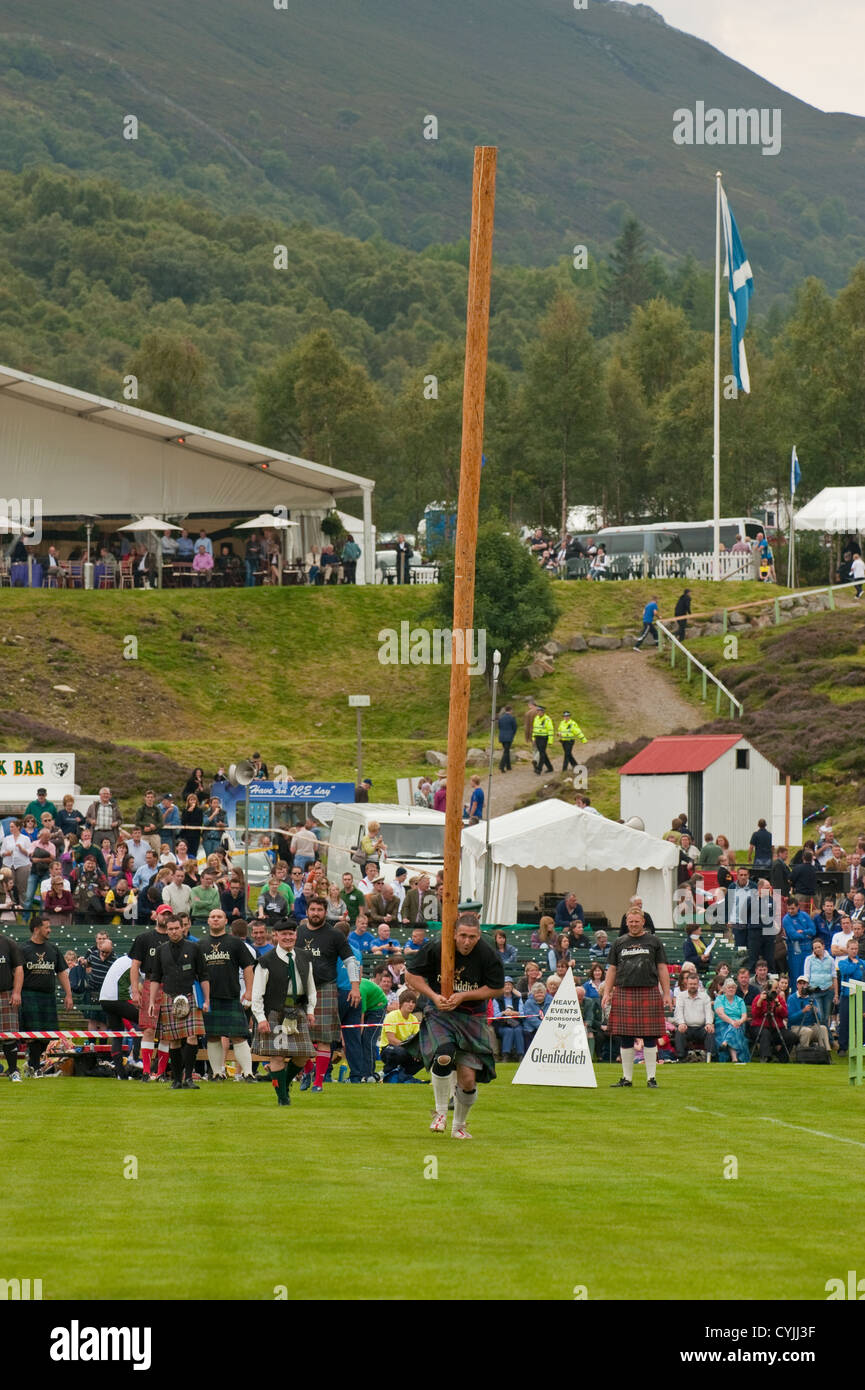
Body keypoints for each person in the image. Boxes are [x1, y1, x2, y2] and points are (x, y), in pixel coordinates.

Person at [404, 912, 505, 1137]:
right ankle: (440, 1113)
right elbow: (411, 976)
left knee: (468, 1080)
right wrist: (433, 995)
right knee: (443, 1054)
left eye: (472, 937)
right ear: (454, 934)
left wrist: (462, 997)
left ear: (479, 936)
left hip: (471, 1014)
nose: (466, 942)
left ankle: (459, 1126)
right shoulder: (437, 946)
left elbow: (497, 988)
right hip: (440, 1012)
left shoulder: (488, 953)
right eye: (462, 936)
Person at [295, 896, 361, 1093]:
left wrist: (355, 987)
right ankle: (307, 1071)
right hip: (300, 989)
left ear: (325, 912)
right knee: (300, 1036)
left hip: (325, 987)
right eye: (312, 909)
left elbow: (350, 961)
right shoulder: (297, 932)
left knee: (324, 1037)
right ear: (307, 911)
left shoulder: (335, 935)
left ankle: (318, 1083)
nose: (316, 913)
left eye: (320, 910)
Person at [602, 908, 671, 1089]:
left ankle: (651, 1078)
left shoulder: (654, 941)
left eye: (636, 921)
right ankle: (626, 1078)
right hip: (624, 991)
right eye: (630, 921)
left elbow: (662, 968)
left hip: (648, 991)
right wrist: (607, 992)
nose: (633, 924)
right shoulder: (619, 943)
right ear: (626, 923)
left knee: (650, 1037)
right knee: (625, 1037)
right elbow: (612, 970)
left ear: (643, 922)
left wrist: (667, 993)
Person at [250, 921, 317, 1106]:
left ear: (296, 935)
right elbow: (257, 993)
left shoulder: (305, 957)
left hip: (297, 1009)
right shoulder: (266, 961)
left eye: (291, 934)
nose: (288, 937)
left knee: (303, 1054)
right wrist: (261, 1018)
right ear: (276, 936)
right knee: (277, 1056)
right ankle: (283, 1098)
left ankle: (283, 1086)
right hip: (274, 1011)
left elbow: (310, 987)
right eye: (284, 934)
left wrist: (310, 1010)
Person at [149, 914, 210, 1090]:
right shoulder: (161, 950)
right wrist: (152, 1001)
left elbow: (203, 975)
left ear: (183, 928)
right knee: (173, 1040)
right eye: (171, 929)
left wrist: (206, 1000)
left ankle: (188, 1078)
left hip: (190, 995)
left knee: (192, 1036)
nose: (174, 931)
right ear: (166, 930)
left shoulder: (194, 948)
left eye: (177, 928)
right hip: (169, 997)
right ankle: (176, 1080)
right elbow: (155, 977)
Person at [200, 908, 256, 1082]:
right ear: (208, 921)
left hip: (231, 995)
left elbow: (248, 967)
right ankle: (217, 1072)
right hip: (208, 998)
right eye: (213, 917)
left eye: (219, 917)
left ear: (226, 921)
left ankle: (247, 1073)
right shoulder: (200, 945)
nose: (216, 919)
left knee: (239, 1035)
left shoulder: (235, 943)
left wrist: (249, 990)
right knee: (213, 1036)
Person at [19, 918, 74, 1077]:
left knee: (46, 1035)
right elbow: (18, 972)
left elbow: (62, 973)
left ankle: (33, 1065)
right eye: (47, 927)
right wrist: (17, 993)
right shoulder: (23, 949)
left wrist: (68, 994)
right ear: (36, 929)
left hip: (47, 996)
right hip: (29, 995)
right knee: (33, 1035)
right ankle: (34, 1066)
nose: (50, 930)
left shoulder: (53, 949)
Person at [378, 991, 426, 1082]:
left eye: (413, 1002)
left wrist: (417, 1051)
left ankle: (402, 1075)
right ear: (401, 1003)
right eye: (408, 1002)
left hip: (404, 1049)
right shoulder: (392, 1016)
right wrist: (410, 1050)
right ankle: (385, 1072)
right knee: (401, 1052)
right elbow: (391, 1039)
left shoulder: (414, 1019)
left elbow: (417, 1039)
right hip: (387, 1049)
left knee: (424, 1056)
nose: (411, 1005)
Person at [673, 972, 716, 1060]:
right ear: (687, 984)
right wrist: (681, 1023)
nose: (693, 986)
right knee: (679, 1031)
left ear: (698, 985)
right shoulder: (681, 996)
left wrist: (708, 1023)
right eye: (690, 984)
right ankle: (681, 1057)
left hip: (701, 1028)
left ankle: (710, 1057)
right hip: (686, 1027)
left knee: (710, 1031)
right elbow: (678, 1012)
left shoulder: (705, 997)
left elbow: (709, 1012)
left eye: (695, 984)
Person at [0, 930, 23, 1080]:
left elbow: (19, 969)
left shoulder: (8, 943)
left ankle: (14, 1070)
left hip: (5, 994)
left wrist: (16, 992)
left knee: (9, 1036)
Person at [751, 982, 795, 1062]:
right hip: (760, 1027)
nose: (777, 990)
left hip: (776, 1028)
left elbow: (785, 1014)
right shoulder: (759, 997)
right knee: (765, 1033)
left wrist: (778, 1004)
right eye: (775, 988)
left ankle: (782, 1057)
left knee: (791, 1036)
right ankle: (765, 1057)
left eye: (777, 988)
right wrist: (760, 1001)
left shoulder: (779, 999)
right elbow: (754, 1014)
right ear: (768, 989)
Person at [836, 939, 865, 1054]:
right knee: (844, 1021)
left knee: (862, 1021)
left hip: (860, 996)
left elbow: (860, 976)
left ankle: (862, 1045)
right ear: (847, 949)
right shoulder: (842, 963)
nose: (854, 951)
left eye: (856, 949)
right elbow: (847, 971)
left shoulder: (863, 962)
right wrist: (855, 964)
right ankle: (843, 1047)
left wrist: (856, 964)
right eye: (852, 949)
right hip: (846, 996)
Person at [788, 977, 831, 1052]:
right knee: (807, 1031)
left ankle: (825, 1053)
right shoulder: (792, 998)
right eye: (800, 983)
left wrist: (816, 1012)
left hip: (810, 1026)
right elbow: (790, 1019)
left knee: (823, 1028)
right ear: (797, 985)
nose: (802, 986)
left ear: (807, 985)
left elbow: (819, 1020)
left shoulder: (811, 998)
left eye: (804, 984)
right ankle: (804, 1055)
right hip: (796, 1026)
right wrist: (803, 1011)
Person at [713, 977, 749, 1062]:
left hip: (738, 1024)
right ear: (724, 989)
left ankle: (725, 1043)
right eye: (729, 987)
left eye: (733, 987)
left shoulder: (740, 1000)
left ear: (736, 989)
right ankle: (734, 1058)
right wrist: (732, 1022)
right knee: (733, 1028)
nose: (731, 989)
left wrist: (740, 1021)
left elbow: (744, 1016)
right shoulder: (719, 999)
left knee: (735, 1027)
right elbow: (721, 1014)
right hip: (722, 1023)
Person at [803, 936, 837, 1027]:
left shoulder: (830, 959)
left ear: (823, 946)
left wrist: (836, 994)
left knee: (826, 1017)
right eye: (815, 948)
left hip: (828, 991)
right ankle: (824, 1038)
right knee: (820, 1016)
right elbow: (807, 975)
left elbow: (834, 976)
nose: (817, 949)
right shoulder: (809, 959)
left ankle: (825, 1038)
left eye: (819, 947)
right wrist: (806, 989)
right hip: (815, 991)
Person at [783, 897, 816, 986]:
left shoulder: (805, 915)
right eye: (788, 908)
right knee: (796, 977)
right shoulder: (786, 919)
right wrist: (807, 934)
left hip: (807, 950)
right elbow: (793, 935)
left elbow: (813, 930)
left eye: (792, 908)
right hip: (795, 952)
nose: (790, 911)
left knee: (807, 975)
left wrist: (803, 932)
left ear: (798, 907)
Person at [491, 979, 526, 1059]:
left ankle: (520, 1055)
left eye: (509, 984)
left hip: (516, 1023)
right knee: (508, 1031)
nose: (507, 986)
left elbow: (522, 1014)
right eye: (505, 985)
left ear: (512, 987)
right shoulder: (496, 999)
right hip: (502, 1024)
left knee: (518, 1030)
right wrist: (503, 1013)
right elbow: (495, 1015)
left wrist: (514, 1013)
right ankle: (505, 1055)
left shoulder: (518, 998)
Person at [532, 705, 554, 775]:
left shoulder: (547, 719)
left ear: (543, 712)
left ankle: (539, 769)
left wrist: (550, 740)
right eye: (537, 711)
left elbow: (550, 730)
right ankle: (550, 768)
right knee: (543, 753)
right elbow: (534, 729)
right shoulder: (536, 718)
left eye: (540, 711)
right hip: (537, 737)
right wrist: (533, 738)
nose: (538, 712)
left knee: (542, 753)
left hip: (544, 738)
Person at [498, 704, 517, 773]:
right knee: (506, 751)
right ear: (511, 710)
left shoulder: (501, 718)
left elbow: (499, 727)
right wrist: (512, 735)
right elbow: (515, 728)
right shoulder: (512, 718)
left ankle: (508, 766)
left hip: (502, 736)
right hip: (509, 737)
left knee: (507, 750)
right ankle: (501, 766)